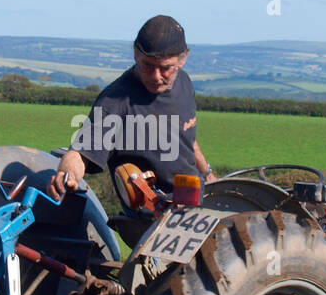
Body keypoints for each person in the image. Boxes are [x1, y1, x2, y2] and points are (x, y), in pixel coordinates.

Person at [48, 15, 216, 203]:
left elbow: (188, 139)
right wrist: (66, 175)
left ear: (182, 59)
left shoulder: (184, 83)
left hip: (196, 201)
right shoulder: (115, 101)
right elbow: (80, 153)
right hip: (154, 213)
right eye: (147, 65)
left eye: (165, 68)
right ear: (136, 54)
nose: (155, 76)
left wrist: (208, 174)